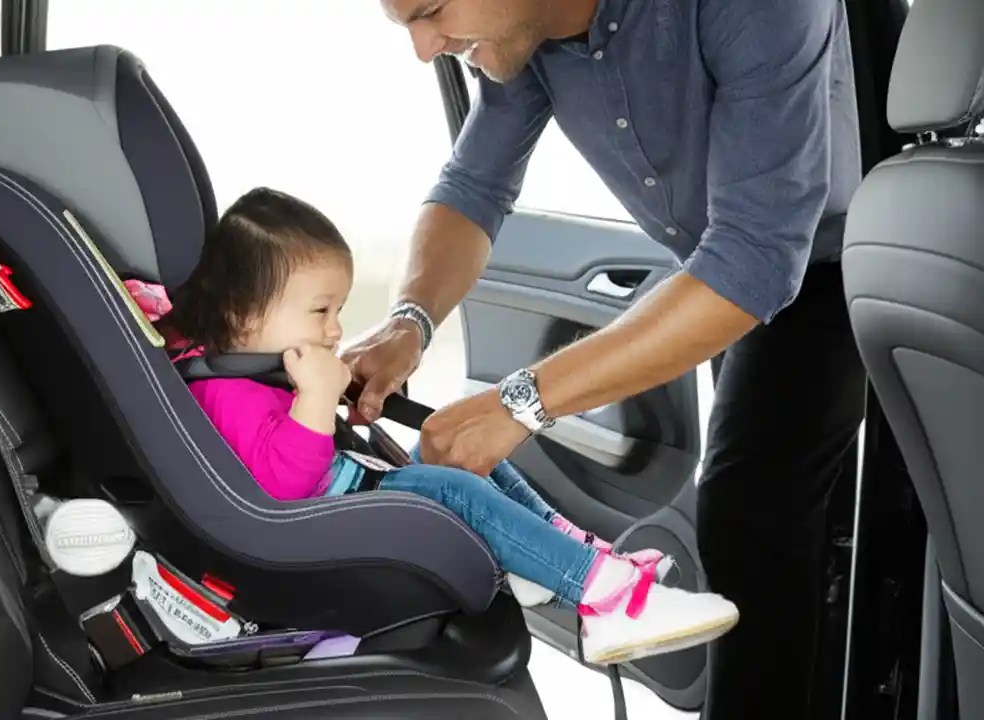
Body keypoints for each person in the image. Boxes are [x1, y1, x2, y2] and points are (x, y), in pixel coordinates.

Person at [348, 1, 867, 717]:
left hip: (834, 267)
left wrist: (520, 401)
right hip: (717, 266)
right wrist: (411, 323)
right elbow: (475, 186)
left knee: (748, 517)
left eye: (430, 10)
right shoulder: (521, 31)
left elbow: (754, 261)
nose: (422, 47)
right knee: (765, 522)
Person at [153, 186, 738, 665]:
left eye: (337, 310)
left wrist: (325, 398)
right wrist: (314, 399)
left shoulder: (252, 370)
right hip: (315, 531)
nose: (336, 330)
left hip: (343, 500)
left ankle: (568, 560)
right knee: (450, 488)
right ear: (241, 313)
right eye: (320, 311)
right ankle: (607, 601)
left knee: (473, 456)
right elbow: (283, 487)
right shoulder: (221, 389)